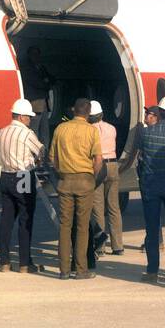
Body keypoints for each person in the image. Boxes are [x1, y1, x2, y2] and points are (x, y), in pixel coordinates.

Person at [47, 97, 102, 280]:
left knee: (64, 226)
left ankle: (63, 269)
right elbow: (98, 160)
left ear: (73, 110)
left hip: (65, 181)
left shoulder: (60, 129)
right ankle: (80, 269)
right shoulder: (92, 131)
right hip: (85, 181)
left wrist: (61, 171)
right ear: (88, 113)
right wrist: (91, 176)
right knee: (82, 226)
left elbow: (52, 158)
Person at [136, 94, 165, 283]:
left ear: (159, 113)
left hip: (150, 185)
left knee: (152, 229)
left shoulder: (146, 134)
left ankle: (152, 271)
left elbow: (140, 158)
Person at [0, 98, 43, 273]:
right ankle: (24, 263)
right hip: (22, 175)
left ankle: (4, 262)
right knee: (25, 219)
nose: (30, 120)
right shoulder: (26, 134)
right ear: (21, 117)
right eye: (29, 117)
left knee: (6, 220)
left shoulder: (0, 132)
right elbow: (40, 151)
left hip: (5, 175)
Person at [89, 99, 124, 255]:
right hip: (113, 165)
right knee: (114, 207)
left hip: (98, 166)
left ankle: (101, 246)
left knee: (98, 208)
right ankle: (118, 246)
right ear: (102, 114)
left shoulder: (89, 130)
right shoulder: (112, 128)